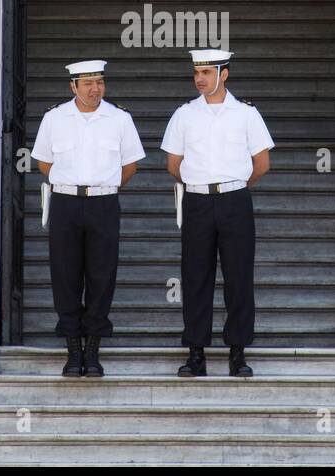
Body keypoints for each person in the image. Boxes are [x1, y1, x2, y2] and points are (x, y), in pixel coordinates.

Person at [160, 49, 273, 378]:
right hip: (196, 201)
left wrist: (233, 184)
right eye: (197, 72)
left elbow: (261, 164)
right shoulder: (184, 115)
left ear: (224, 74)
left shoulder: (246, 115)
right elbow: (173, 165)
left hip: (235, 200)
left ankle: (237, 353)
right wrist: (201, 185)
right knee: (195, 278)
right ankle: (196, 353)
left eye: (207, 72)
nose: (199, 78)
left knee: (239, 277)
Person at [31, 59, 144, 377]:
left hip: (104, 203)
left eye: (99, 82)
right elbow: (43, 162)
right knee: (65, 276)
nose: (95, 89)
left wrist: (105, 184)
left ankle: (93, 350)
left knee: (101, 276)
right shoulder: (54, 119)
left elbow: (130, 165)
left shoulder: (119, 119)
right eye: (88, 83)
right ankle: (73, 350)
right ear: (73, 87)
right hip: (66, 202)